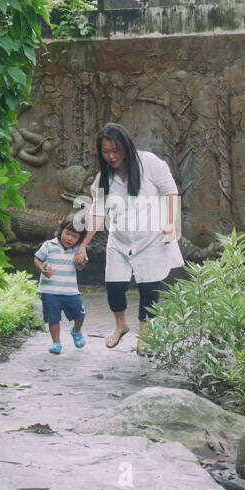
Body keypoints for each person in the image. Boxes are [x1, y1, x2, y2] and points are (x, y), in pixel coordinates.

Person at [74, 123, 183, 355]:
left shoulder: (150, 163)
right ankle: (121, 325)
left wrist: (171, 224)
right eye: (106, 151)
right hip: (120, 240)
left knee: (149, 290)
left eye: (116, 150)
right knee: (114, 287)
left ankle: (145, 336)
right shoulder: (104, 177)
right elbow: (97, 212)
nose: (112, 156)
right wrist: (83, 245)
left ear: (126, 146)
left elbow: (170, 192)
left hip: (152, 239)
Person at [34, 218, 88, 355]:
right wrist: (43, 269)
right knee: (53, 318)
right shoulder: (49, 245)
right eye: (67, 233)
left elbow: (81, 267)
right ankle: (56, 343)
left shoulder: (78, 250)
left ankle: (76, 331)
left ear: (79, 239)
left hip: (70, 290)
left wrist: (81, 262)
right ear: (61, 231)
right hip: (49, 290)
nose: (69, 238)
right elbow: (37, 259)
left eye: (74, 236)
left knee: (80, 314)